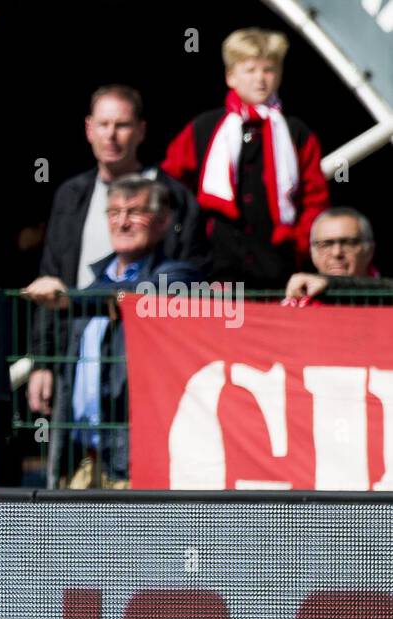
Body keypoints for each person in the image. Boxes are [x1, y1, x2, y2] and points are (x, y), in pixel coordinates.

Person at [23, 86, 204, 415]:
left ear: (141, 131)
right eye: (103, 125)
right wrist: (43, 360)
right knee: (71, 458)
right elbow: (51, 277)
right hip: (76, 358)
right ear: (89, 129)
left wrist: (73, 299)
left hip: (146, 362)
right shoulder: (70, 196)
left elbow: (186, 279)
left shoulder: (173, 197)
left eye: (121, 125)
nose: (111, 136)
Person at [43, 175, 202, 489]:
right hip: (82, 454)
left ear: (162, 221)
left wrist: (68, 298)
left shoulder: (174, 277)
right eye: (114, 212)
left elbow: (135, 296)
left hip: (131, 455)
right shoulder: (94, 282)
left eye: (134, 212)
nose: (122, 222)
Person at [161, 27, 329, 288]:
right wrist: (188, 234)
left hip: (279, 268)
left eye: (269, 70)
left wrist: (298, 241)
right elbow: (170, 184)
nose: (260, 79)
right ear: (231, 76)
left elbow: (315, 198)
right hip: (213, 267)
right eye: (250, 70)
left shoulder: (297, 133)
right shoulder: (205, 127)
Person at [284, 207, 393, 301]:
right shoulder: (297, 297)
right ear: (312, 251)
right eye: (326, 244)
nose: (337, 253)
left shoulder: (388, 292)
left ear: (369, 250)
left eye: (348, 243)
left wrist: (330, 283)